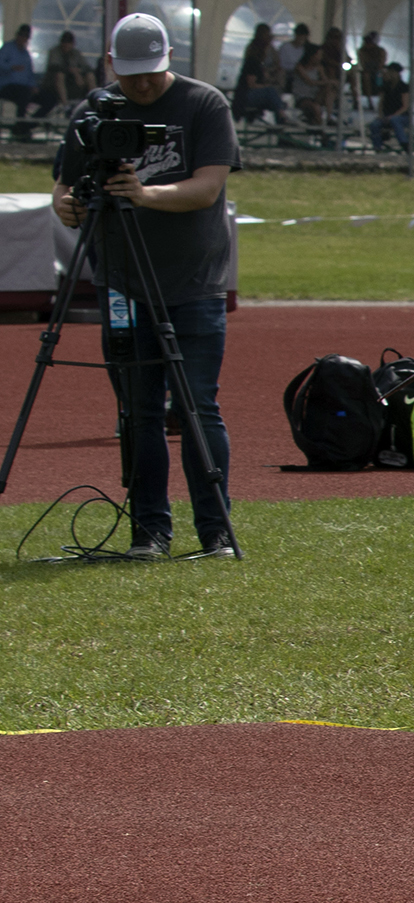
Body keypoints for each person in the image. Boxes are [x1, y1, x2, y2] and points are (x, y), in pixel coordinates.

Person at [52, 12, 241, 560]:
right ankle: (149, 533)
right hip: (122, 282)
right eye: (131, 74)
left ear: (169, 61)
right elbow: (65, 185)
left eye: (151, 74)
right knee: (138, 411)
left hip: (195, 282)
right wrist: (67, 206)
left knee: (198, 406)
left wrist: (143, 194)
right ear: (112, 64)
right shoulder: (93, 110)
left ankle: (216, 532)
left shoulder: (204, 104)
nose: (141, 85)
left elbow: (207, 189)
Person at [0, 24, 46, 140]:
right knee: (23, 96)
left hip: (25, 87)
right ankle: (19, 128)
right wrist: (11, 67)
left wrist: (34, 86)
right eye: (22, 36)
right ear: (17, 36)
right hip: (7, 86)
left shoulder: (26, 55)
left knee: (48, 99)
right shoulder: (7, 48)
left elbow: (30, 73)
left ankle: (28, 125)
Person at [234, 22, 286, 124]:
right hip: (245, 96)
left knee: (274, 93)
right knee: (270, 92)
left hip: (248, 94)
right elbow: (251, 84)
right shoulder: (253, 62)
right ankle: (281, 117)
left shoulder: (258, 64)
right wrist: (266, 86)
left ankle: (280, 115)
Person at [43, 30, 97, 109]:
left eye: (68, 44)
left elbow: (87, 67)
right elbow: (54, 67)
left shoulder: (76, 53)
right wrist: (71, 71)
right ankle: (65, 105)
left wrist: (78, 72)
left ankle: (94, 102)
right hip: (55, 84)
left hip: (74, 83)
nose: (66, 46)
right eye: (64, 44)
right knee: (60, 76)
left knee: (90, 76)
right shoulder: (54, 52)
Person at [367, 62, 410, 151]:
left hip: (401, 116)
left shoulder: (403, 87)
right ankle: (377, 146)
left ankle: (404, 143)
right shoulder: (385, 87)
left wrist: (393, 115)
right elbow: (381, 103)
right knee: (374, 125)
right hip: (387, 116)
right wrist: (381, 115)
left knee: (395, 121)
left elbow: (405, 106)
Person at [290, 44, 326, 124]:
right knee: (315, 107)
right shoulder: (299, 67)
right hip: (302, 97)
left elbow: (324, 81)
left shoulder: (319, 68)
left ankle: (329, 117)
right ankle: (319, 127)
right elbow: (310, 82)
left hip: (315, 96)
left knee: (329, 91)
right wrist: (324, 82)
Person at [276, 22, 309, 91]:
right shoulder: (285, 47)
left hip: (299, 73)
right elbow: (280, 63)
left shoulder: (304, 49)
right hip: (286, 72)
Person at [356, 31, 386, 105]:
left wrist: (377, 70)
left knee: (380, 76)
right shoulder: (362, 51)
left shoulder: (381, 51)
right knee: (366, 76)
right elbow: (362, 63)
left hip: (378, 71)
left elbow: (381, 63)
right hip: (367, 71)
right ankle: (369, 100)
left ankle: (382, 99)